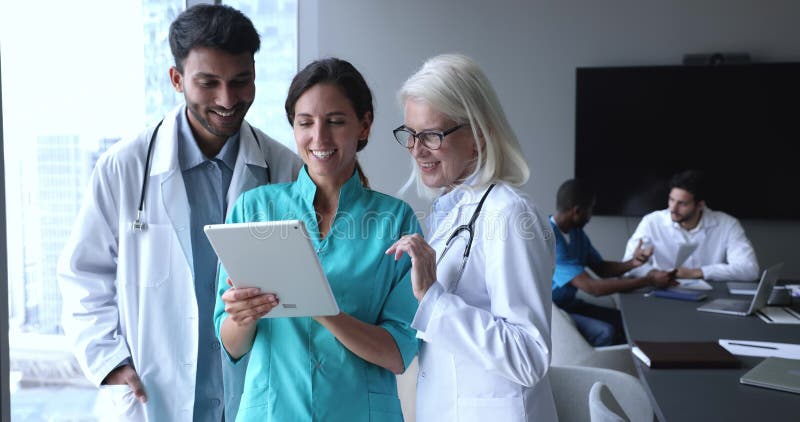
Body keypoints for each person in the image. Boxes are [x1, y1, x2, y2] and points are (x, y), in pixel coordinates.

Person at [57, 5, 302, 421]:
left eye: (241, 81)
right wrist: (109, 360)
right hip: (156, 393)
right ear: (176, 79)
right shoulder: (124, 167)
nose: (227, 100)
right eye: (209, 83)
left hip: (251, 393)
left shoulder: (284, 169)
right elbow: (82, 275)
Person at [214, 58, 421, 422]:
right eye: (305, 123)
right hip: (272, 412)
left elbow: (399, 353)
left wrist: (323, 310)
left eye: (336, 122)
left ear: (364, 124)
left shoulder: (395, 220)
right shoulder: (254, 209)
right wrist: (242, 317)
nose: (319, 138)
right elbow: (231, 343)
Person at [385, 53, 557, 422]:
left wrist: (434, 298)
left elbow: (529, 357)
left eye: (431, 134)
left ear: (478, 136)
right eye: (411, 134)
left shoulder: (510, 215)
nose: (417, 150)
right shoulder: (454, 212)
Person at [550, 179, 676, 346]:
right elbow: (593, 288)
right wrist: (649, 280)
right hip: (555, 312)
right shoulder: (550, 238)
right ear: (577, 211)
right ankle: (600, 372)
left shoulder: (576, 233)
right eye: (590, 209)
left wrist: (632, 263)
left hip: (571, 304)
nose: (591, 216)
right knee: (606, 332)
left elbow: (601, 268)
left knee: (625, 321)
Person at [623, 170, 760, 282]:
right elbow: (627, 265)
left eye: (682, 203)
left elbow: (749, 270)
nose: (673, 208)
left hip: (710, 296)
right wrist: (653, 273)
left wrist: (698, 273)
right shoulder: (651, 222)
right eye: (671, 200)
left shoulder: (727, 224)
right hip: (662, 294)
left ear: (700, 204)